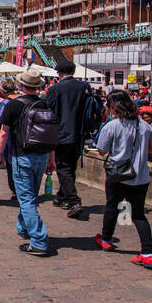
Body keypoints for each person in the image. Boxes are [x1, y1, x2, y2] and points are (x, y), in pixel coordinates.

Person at [93, 90, 152, 270]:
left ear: (112, 107)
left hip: (117, 175)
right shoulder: (144, 125)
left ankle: (106, 239)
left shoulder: (112, 126)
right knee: (138, 214)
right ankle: (147, 253)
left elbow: (101, 150)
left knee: (112, 206)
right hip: (140, 176)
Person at [0, 66, 54, 256]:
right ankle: (23, 228)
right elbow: (52, 135)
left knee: (27, 199)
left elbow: (4, 132)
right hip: (42, 155)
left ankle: (38, 240)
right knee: (29, 196)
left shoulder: (14, 105)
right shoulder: (45, 105)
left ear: (21, 84)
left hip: (22, 157)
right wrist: (51, 160)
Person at [43, 60, 90, 218]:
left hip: (61, 133)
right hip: (80, 133)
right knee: (71, 167)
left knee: (63, 168)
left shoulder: (55, 89)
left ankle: (73, 200)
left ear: (59, 73)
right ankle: (62, 196)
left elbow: (48, 111)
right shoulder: (84, 87)